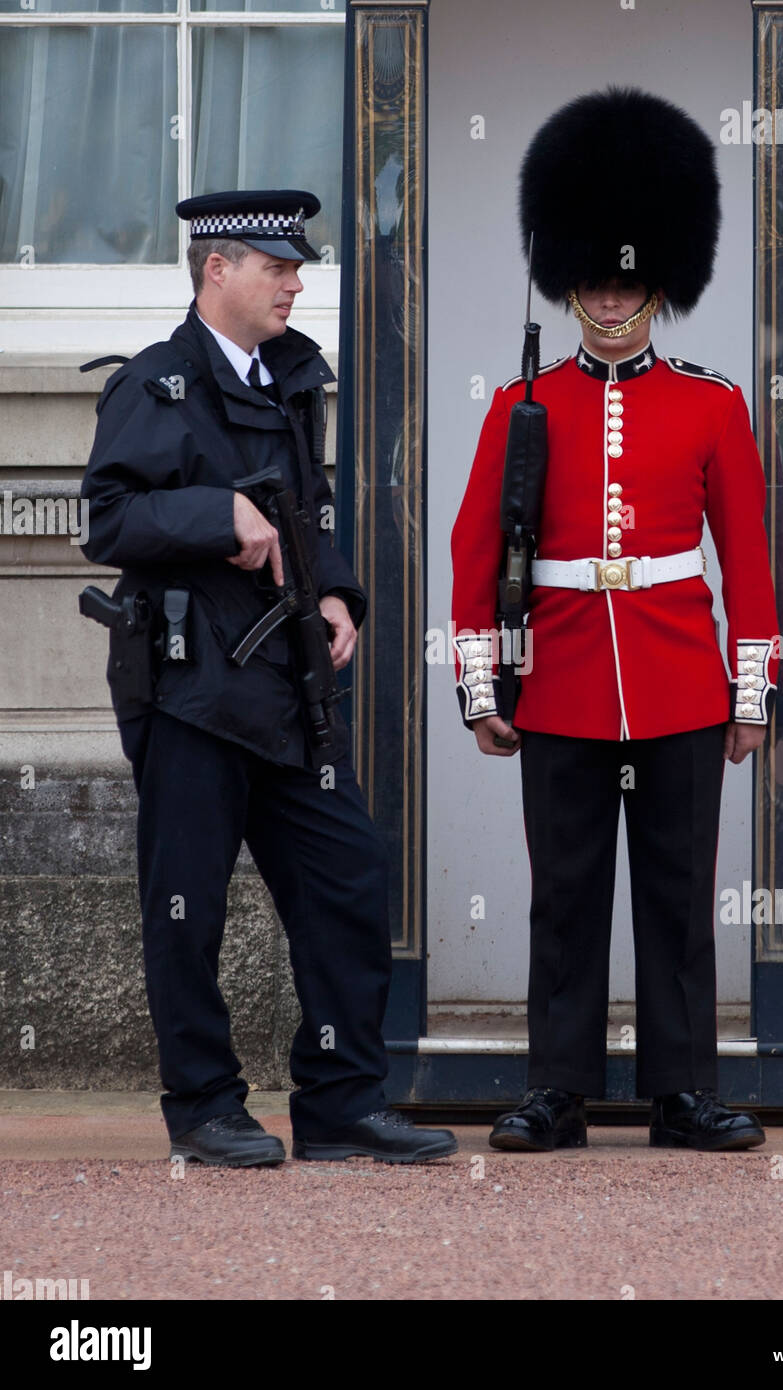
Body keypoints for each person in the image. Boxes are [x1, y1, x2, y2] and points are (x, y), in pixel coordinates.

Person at [81, 189, 455, 1166]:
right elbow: (108, 521)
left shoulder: (290, 380)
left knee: (347, 882)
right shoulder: (156, 385)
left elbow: (308, 516)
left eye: (297, 265)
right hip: (192, 691)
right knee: (186, 906)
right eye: (276, 265)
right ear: (217, 270)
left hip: (289, 694)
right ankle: (205, 1107)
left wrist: (335, 593)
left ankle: (338, 1100)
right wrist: (216, 517)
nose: (296, 280)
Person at [451, 89, 781, 1152]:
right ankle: (559, 1087)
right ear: (569, 281)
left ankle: (682, 1090)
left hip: (680, 678)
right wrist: (481, 684)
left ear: (659, 287)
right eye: (594, 279)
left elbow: (747, 555)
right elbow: (473, 552)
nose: (609, 298)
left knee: (681, 899)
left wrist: (750, 689)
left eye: (628, 281)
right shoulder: (519, 405)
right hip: (563, 680)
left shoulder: (711, 404)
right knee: (568, 894)